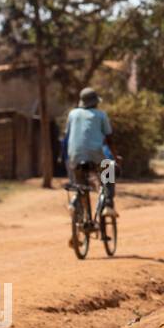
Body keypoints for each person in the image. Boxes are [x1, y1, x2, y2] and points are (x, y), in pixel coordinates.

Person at [63, 88, 116, 234]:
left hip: (74, 155)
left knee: (80, 185)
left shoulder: (72, 114)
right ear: (95, 103)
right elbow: (109, 138)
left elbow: (67, 136)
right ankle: (108, 204)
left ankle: (75, 202)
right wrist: (115, 156)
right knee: (108, 168)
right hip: (95, 155)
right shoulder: (100, 115)